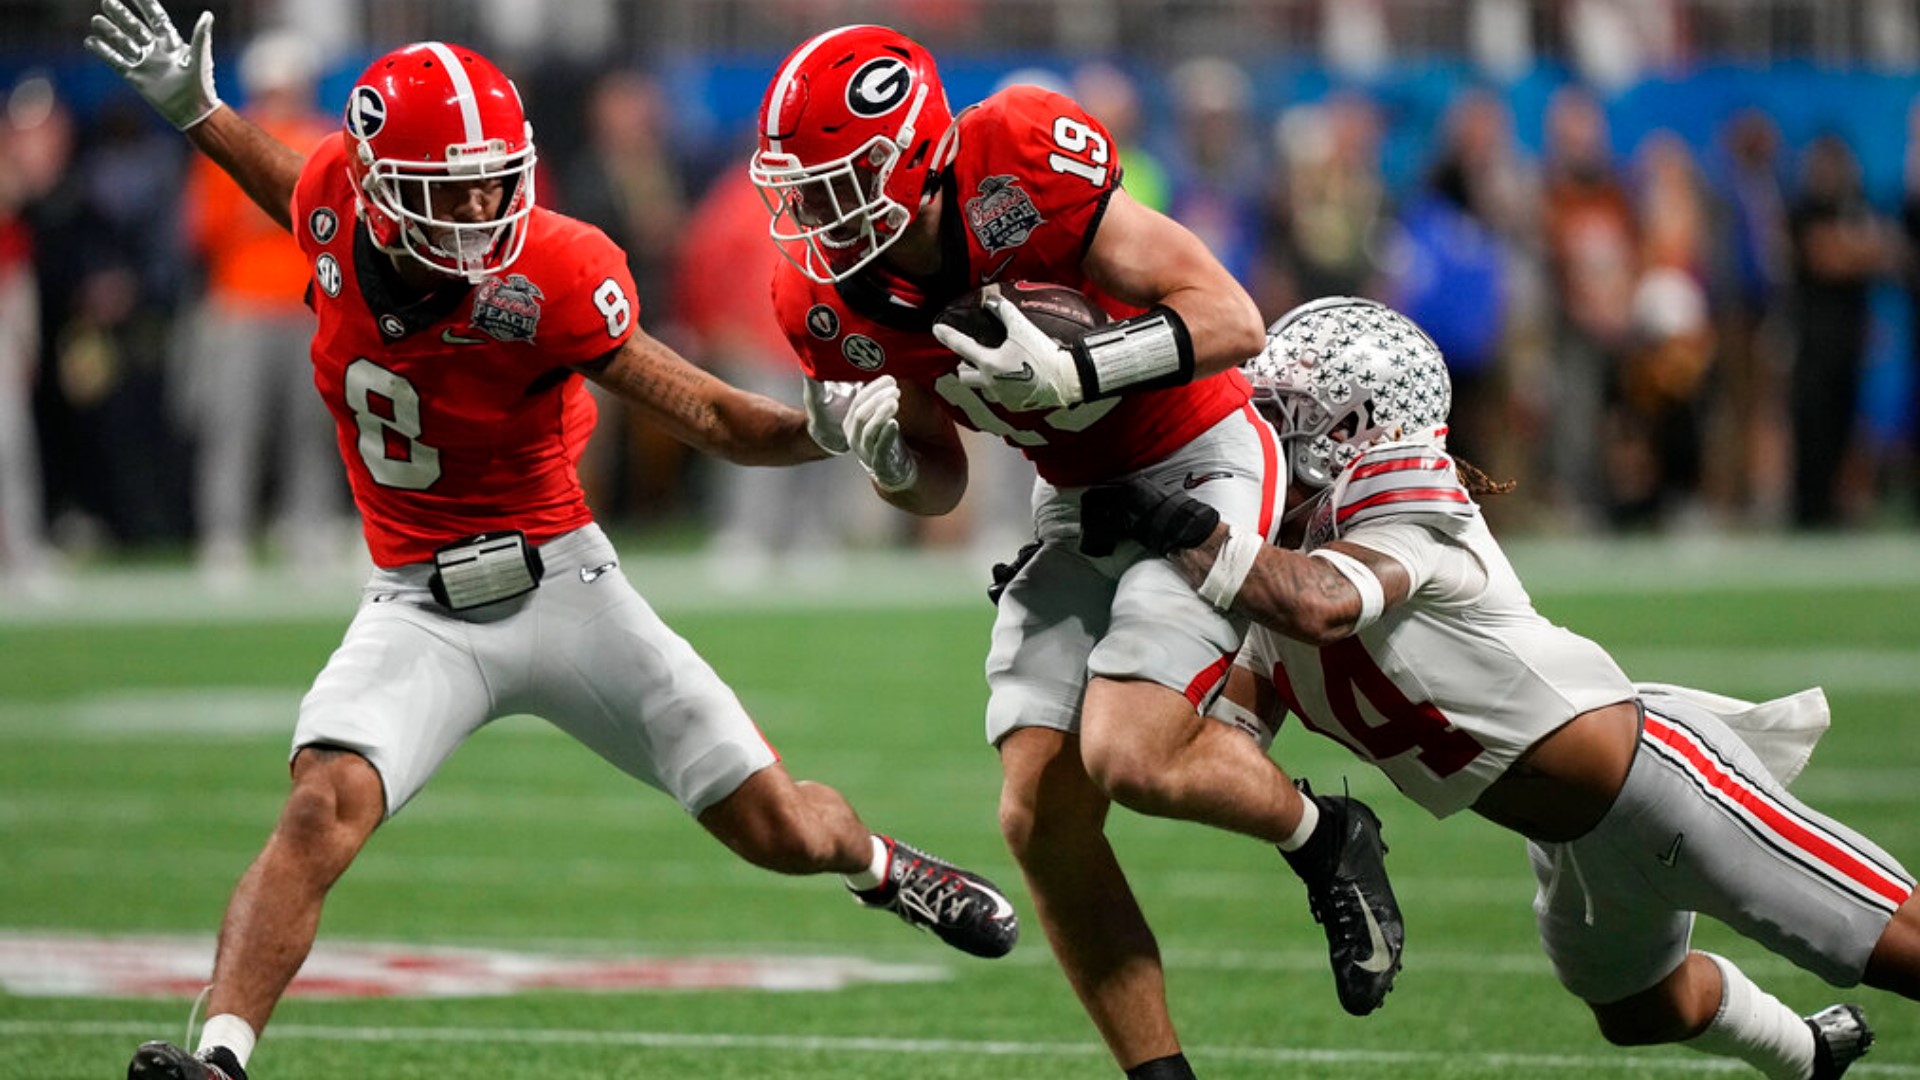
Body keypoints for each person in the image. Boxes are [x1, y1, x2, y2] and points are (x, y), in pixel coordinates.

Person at [85, 6, 1018, 1080]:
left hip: (565, 586)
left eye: (494, 179)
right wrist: (198, 113)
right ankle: (221, 1058)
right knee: (319, 808)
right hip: (415, 605)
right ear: (379, 192)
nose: (482, 211)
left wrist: (834, 430)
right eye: (448, 192)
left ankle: (878, 865)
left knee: (777, 831)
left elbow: (711, 418)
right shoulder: (337, 200)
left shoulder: (555, 271)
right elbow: (294, 193)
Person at [748, 25, 1402, 1079]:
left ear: (912, 153)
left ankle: (1324, 834)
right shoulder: (822, 296)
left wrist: (1084, 365)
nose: (817, 218)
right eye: (802, 191)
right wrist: (884, 460)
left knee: (1132, 753)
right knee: (1040, 816)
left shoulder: (1017, 156)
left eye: (840, 185)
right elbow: (942, 481)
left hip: (1201, 452)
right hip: (1079, 491)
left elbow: (1231, 318)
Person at [1078, 296, 1920, 1080]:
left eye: (1281, 410)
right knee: (1639, 1011)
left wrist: (1172, 524)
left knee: (1897, 945)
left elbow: (1325, 604)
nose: (1254, 428)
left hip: (1662, 786)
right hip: (1566, 844)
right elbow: (1224, 747)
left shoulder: (1403, 491)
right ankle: (1810, 1051)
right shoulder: (1263, 580)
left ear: (1352, 423)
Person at [176, 30, 345, 585]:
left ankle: (310, 528)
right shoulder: (229, 142)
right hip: (242, 306)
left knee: (313, 430)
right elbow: (203, 230)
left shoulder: (325, 141)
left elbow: (338, 225)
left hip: (308, 306)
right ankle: (226, 534)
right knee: (236, 427)